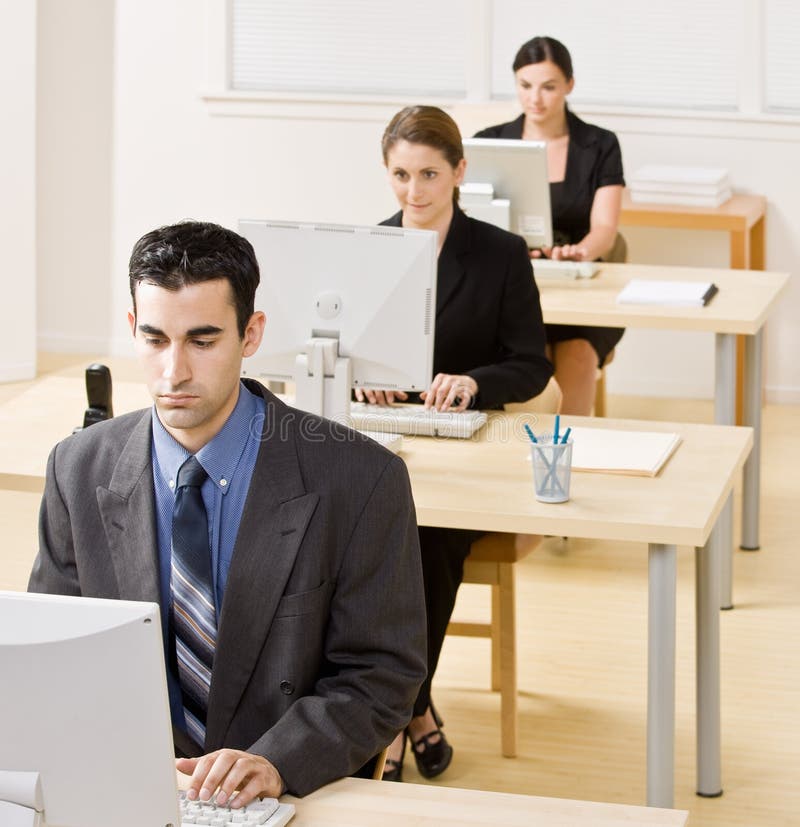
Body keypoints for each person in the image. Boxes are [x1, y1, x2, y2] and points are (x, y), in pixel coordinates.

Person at [28, 221, 427, 803]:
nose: (174, 372)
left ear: (252, 333)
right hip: (127, 787)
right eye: (156, 339)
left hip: (290, 795)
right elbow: (53, 654)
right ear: (133, 327)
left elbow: (383, 674)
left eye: (203, 340)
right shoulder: (76, 468)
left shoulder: (362, 479)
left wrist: (276, 763)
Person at [358, 105, 553, 781]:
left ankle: (390, 716)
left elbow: (532, 363)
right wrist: (365, 375)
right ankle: (414, 711)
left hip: (465, 453)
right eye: (401, 174)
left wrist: (472, 380)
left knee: (427, 538)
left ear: (459, 171)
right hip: (386, 445)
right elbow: (336, 347)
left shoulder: (498, 254)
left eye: (429, 174)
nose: (414, 190)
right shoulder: (369, 246)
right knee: (361, 534)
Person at [475, 36, 626, 415]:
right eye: (525, 86)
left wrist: (580, 252)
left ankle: (571, 456)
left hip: (580, 287)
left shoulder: (600, 144)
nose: (535, 99)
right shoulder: (487, 142)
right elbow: (474, 223)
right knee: (526, 360)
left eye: (548, 87)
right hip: (515, 289)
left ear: (569, 86)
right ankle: (525, 461)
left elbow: (606, 228)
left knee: (576, 353)